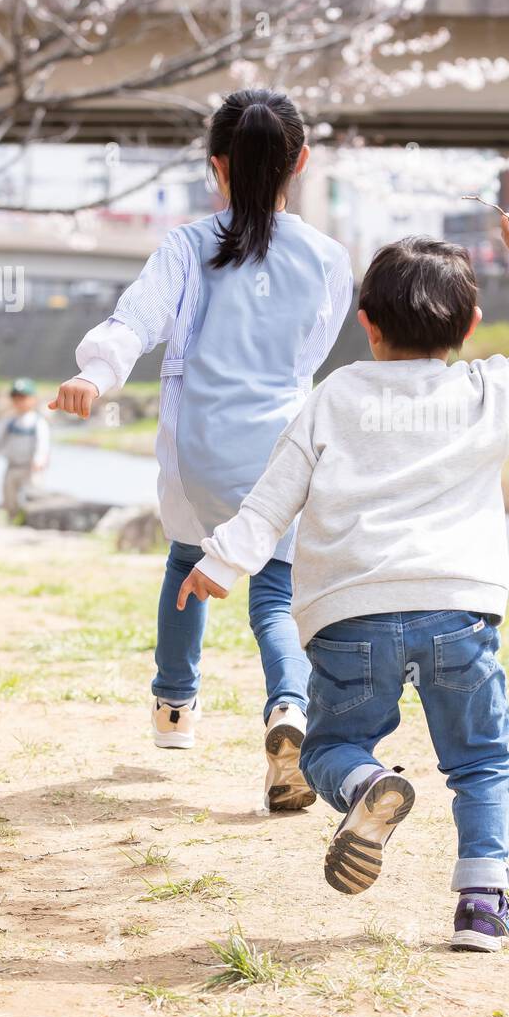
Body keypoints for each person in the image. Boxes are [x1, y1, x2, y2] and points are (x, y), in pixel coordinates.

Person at [177, 212, 509, 950]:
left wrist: (223, 560)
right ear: (469, 324)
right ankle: (481, 906)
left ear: (366, 324)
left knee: (328, 748)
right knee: (481, 760)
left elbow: (275, 494)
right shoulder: (488, 391)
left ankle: (366, 787)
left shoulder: (334, 395)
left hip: (350, 615)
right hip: (458, 615)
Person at [49, 89, 353, 811]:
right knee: (275, 593)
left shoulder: (186, 247)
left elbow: (136, 321)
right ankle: (288, 709)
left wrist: (95, 374)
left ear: (215, 167)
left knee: (189, 560)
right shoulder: (329, 257)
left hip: (199, 452)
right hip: (283, 450)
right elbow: (312, 351)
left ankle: (176, 705)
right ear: (300, 163)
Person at [0, 378, 50, 520]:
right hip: (12, 467)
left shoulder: (38, 422)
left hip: (30, 468)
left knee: (32, 496)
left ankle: (29, 521)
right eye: (16, 398)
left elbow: (42, 443)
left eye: (23, 398)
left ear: (32, 399)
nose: (19, 402)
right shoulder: (9, 422)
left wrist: (39, 459)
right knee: (9, 497)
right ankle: (12, 519)